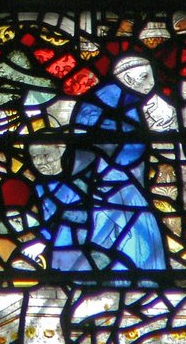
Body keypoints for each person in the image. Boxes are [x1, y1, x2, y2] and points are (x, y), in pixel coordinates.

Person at [64, 54, 172, 272]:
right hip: (105, 186)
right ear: (129, 80)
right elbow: (87, 150)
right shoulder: (99, 103)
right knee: (140, 232)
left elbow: (134, 150)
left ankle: (137, 277)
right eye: (145, 77)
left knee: (139, 231)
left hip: (120, 184)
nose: (151, 83)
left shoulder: (131, 103)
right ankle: (137, 277)